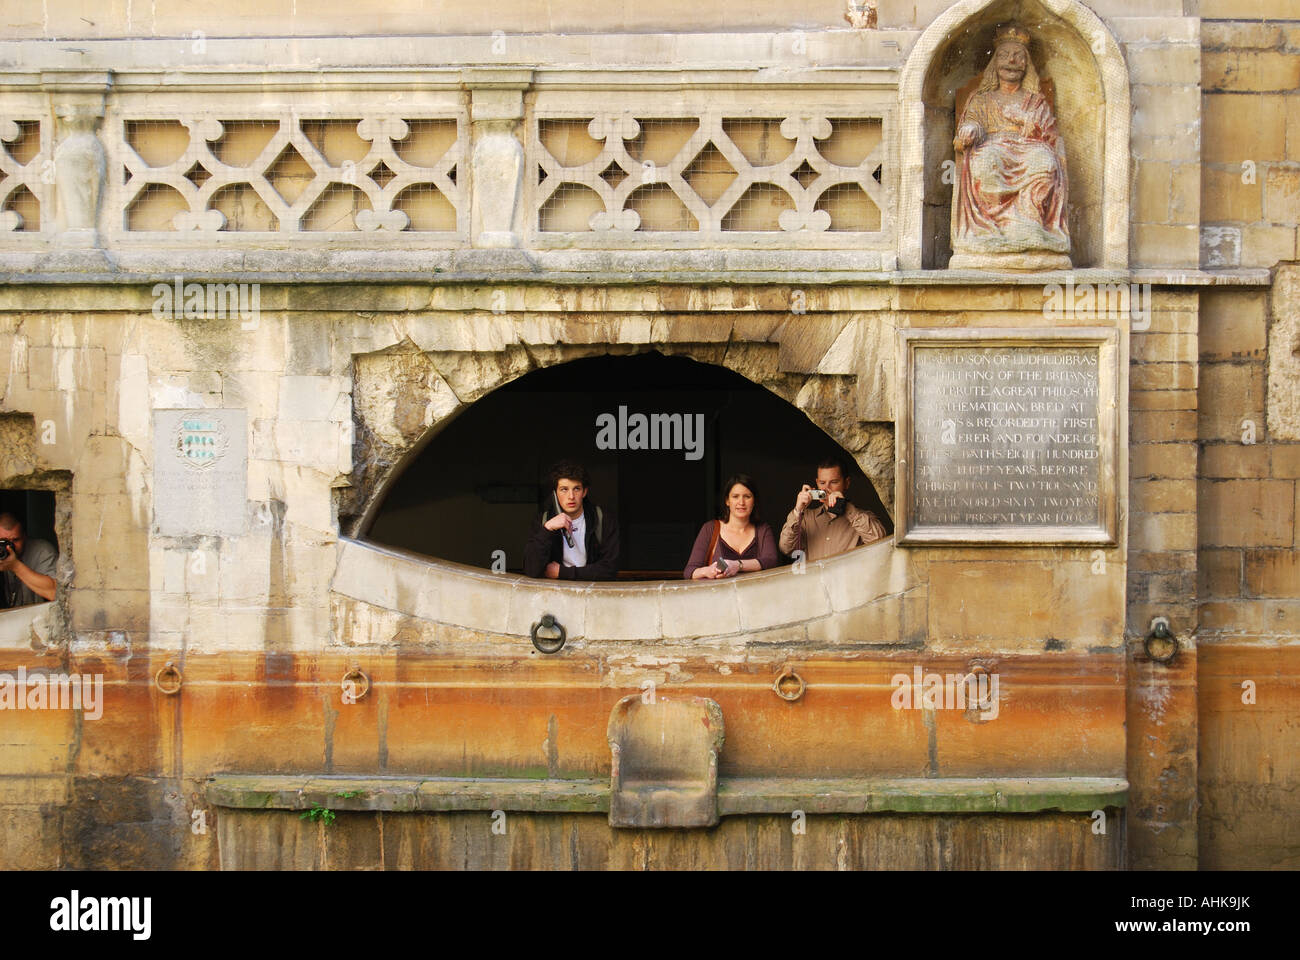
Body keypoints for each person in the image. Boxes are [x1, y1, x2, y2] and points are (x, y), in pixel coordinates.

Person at [951, 22, 1070, 266]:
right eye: (1005, 56)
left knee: (1044, 161)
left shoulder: (1035, 102)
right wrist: (970, 130)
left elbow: (1050, 135)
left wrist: (1027, 120)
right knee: (986, 160)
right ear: (995, 63)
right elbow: (970, 123)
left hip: (1029, 146)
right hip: (992, 146)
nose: (1012, 61)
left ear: (1027, 65)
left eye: (1018, 56)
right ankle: (992, 230)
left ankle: (1031, 225)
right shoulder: (982, 99)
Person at [524, 460, 619, 580]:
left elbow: (610, 569)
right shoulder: (544, 520)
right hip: (556, 594)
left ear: (584, 492)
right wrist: (547, 529)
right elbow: (531, 569)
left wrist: (562, 572)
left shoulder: (602, 519)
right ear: (555, 493)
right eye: (564, 489)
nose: (571, 496)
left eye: (576, 489)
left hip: (592, 593)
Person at [778, 457, 887, 562]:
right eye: (822, 483)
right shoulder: (805, 518)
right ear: (816, 483)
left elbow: (880, 543)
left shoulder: (862, 516)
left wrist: (846, 507)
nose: (826, 488)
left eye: (834, 482)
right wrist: (798, 510)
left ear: (847, 483)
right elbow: (786, 548)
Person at [684, 474, 779, 580]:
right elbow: (689, 571)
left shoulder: (763, 529)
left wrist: (737, 565)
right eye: (735, 496)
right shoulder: (710, 528)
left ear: (754, 501)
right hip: (718, 595)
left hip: (755, 595)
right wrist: (707, 571)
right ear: (727, 501)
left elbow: (771, 561)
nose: (741, 502)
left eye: (747, 496)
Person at [0, 513, 57, 607]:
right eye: (3, 541)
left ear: (24, 537)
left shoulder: (42, 551)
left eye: (15, 540)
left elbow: (56, 593)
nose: (9, 547)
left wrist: (16, 566)